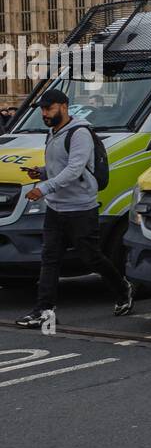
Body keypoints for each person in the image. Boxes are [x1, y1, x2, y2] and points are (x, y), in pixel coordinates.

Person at [14, 89, 134, 328]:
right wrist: (42, 172)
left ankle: (123, 288)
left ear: (64, 106)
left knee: (92, 258)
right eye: (42, 110)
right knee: (49, 259)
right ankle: (44, 310)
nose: (45, 114)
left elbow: (75, 170)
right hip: (56, 208)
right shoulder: (54, 132)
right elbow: (60, 167)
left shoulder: (80, 133)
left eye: (49, 109)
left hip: (81, 208)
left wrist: (44, 187)